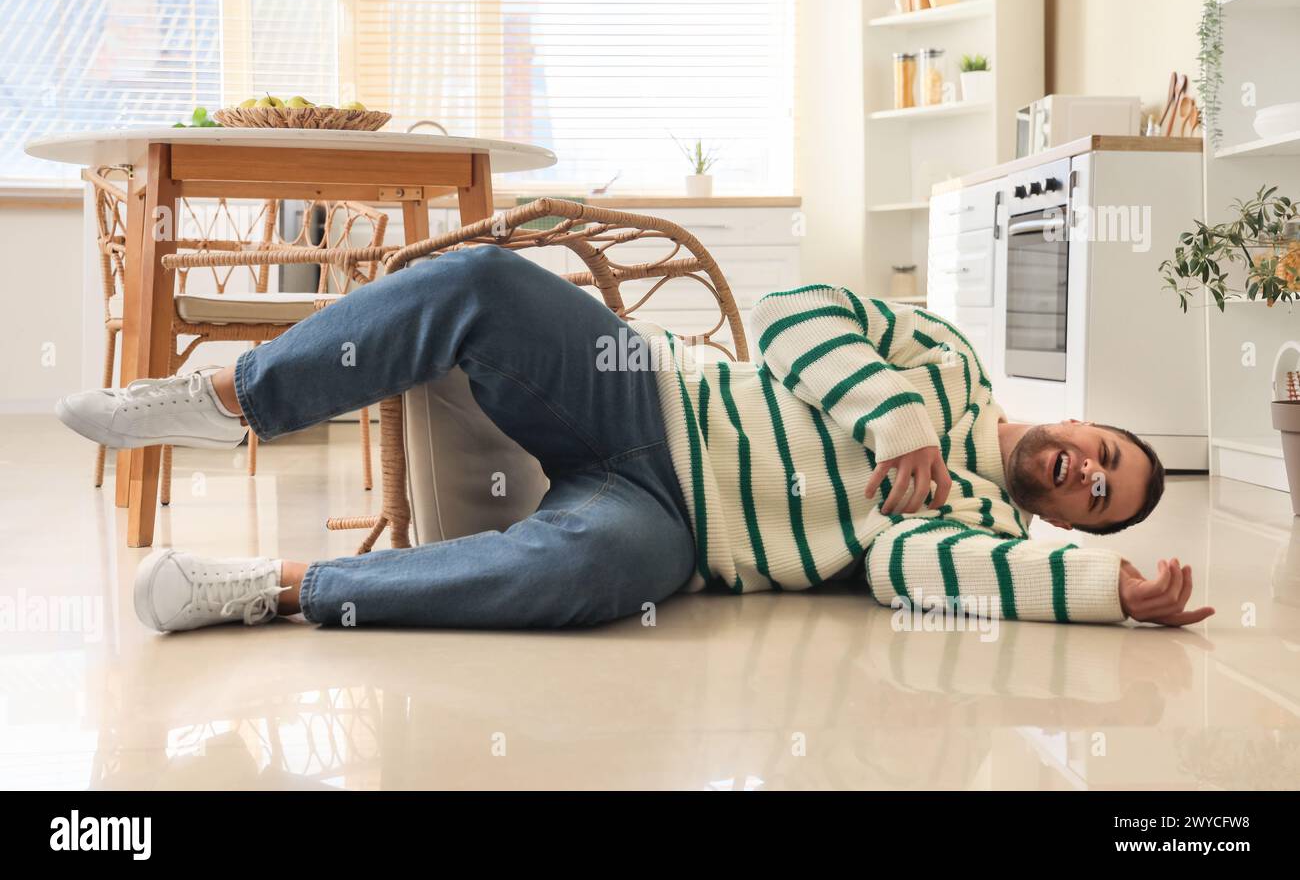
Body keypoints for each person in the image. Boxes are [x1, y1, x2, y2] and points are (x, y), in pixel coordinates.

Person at [56, 245, 1214, 634]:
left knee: (589, 571)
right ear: (1078, 418)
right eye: (1103, 451)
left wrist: (1117, 591)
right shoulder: (946, 357)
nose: (1087, 474)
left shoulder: (975, 526)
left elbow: (915, 571)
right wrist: (896, 417)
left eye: (1096, 500)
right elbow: (797, 314)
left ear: (1064, 518)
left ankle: (271, 586)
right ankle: (226, 401)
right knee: (482, 279)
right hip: (646, 390)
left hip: (673, 529)